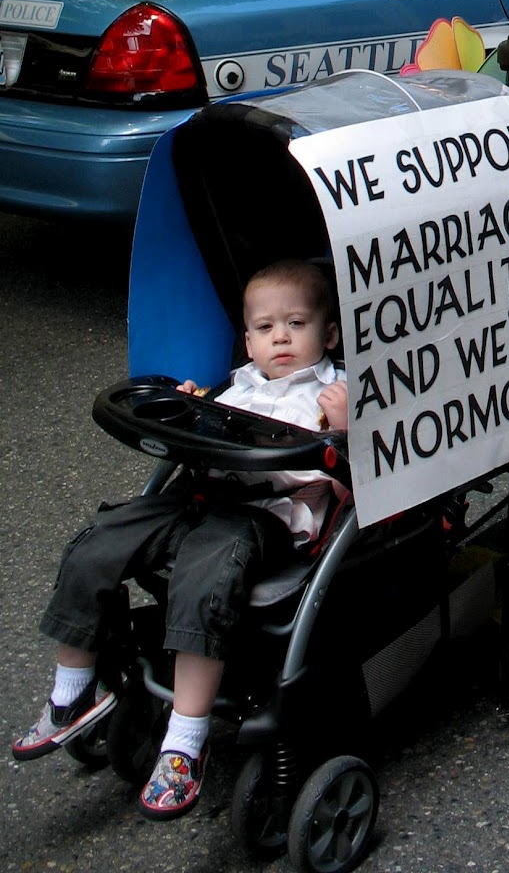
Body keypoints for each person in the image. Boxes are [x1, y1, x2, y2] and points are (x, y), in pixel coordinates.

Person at [12, 259, 348, 820]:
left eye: (297, 323)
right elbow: (202, 435)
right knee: (97, 541)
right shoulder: (236, 387)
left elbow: (373, 467)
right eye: (266, 329)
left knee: (204, 578)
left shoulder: (337, 390)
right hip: (199, 496)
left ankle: (184, 743)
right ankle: (71, 693)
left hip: (262, 518)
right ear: (247, 340)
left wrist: (346, 427)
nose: (281, 337)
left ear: (329, 333)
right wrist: (194, 412)